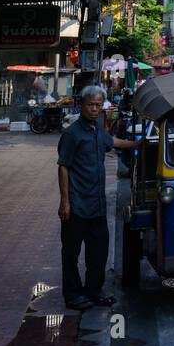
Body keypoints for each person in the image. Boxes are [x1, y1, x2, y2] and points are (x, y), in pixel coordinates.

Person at [57, 85, 138, 311]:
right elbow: (63, 167)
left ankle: (93, 291)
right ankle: (73, 295)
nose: (95, 109)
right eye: (91, 105)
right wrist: (65, 202)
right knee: (71, 253)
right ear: (81, 105)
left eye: (98, 105)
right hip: (76, 204)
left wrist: (139, 144)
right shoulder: (72, 134)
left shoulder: (98, 130)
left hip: (97, 204)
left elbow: (113, 143)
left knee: (99, 250)